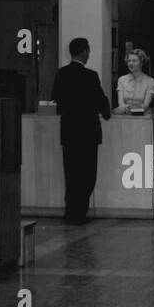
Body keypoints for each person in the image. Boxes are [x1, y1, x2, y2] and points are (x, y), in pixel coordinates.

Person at [50, 37, 111, 224]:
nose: (89, 54)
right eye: (89, 51)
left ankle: (71, 212)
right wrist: (106, 113)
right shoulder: (91, 76)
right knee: (87, 173)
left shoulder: (61, 73)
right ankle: (80, 212)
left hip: (69, 131)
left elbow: (56, 100)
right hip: (88, 132)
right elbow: (102, 101)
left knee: (71, 173)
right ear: (84, 51)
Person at [115, 49, 154, 114]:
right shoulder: (121, 80)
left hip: (143, 117)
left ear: (141, 63)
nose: (131, 63)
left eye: (134, 61)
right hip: (125, 117)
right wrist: (125, 108)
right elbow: (121, 103)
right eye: (129, 61)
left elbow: (145, 105)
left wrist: (127, 107)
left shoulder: (150, 81)